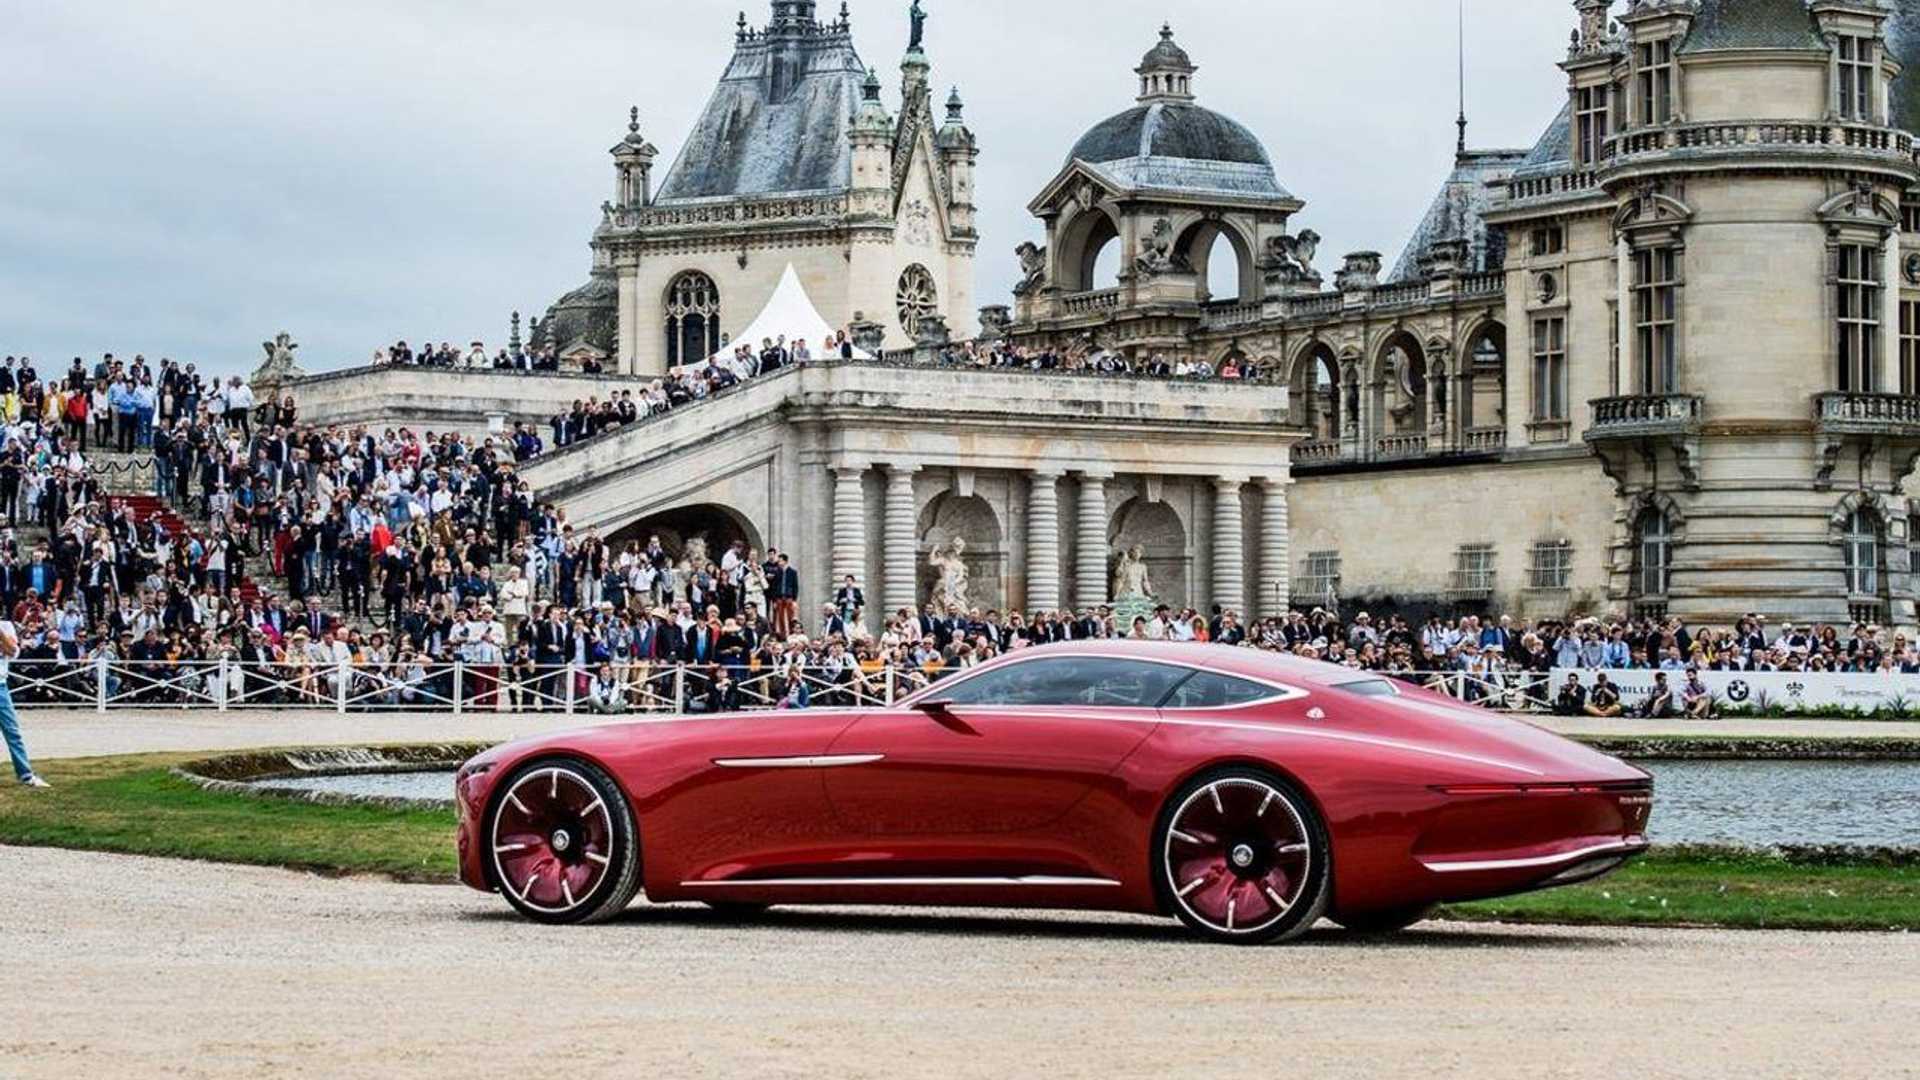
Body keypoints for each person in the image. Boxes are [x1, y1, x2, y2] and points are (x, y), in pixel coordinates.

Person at [0, 618, 49, 788]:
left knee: (12, 732)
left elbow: (12, 651)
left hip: (0, 686)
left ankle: (25, 774)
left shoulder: (6, 626)